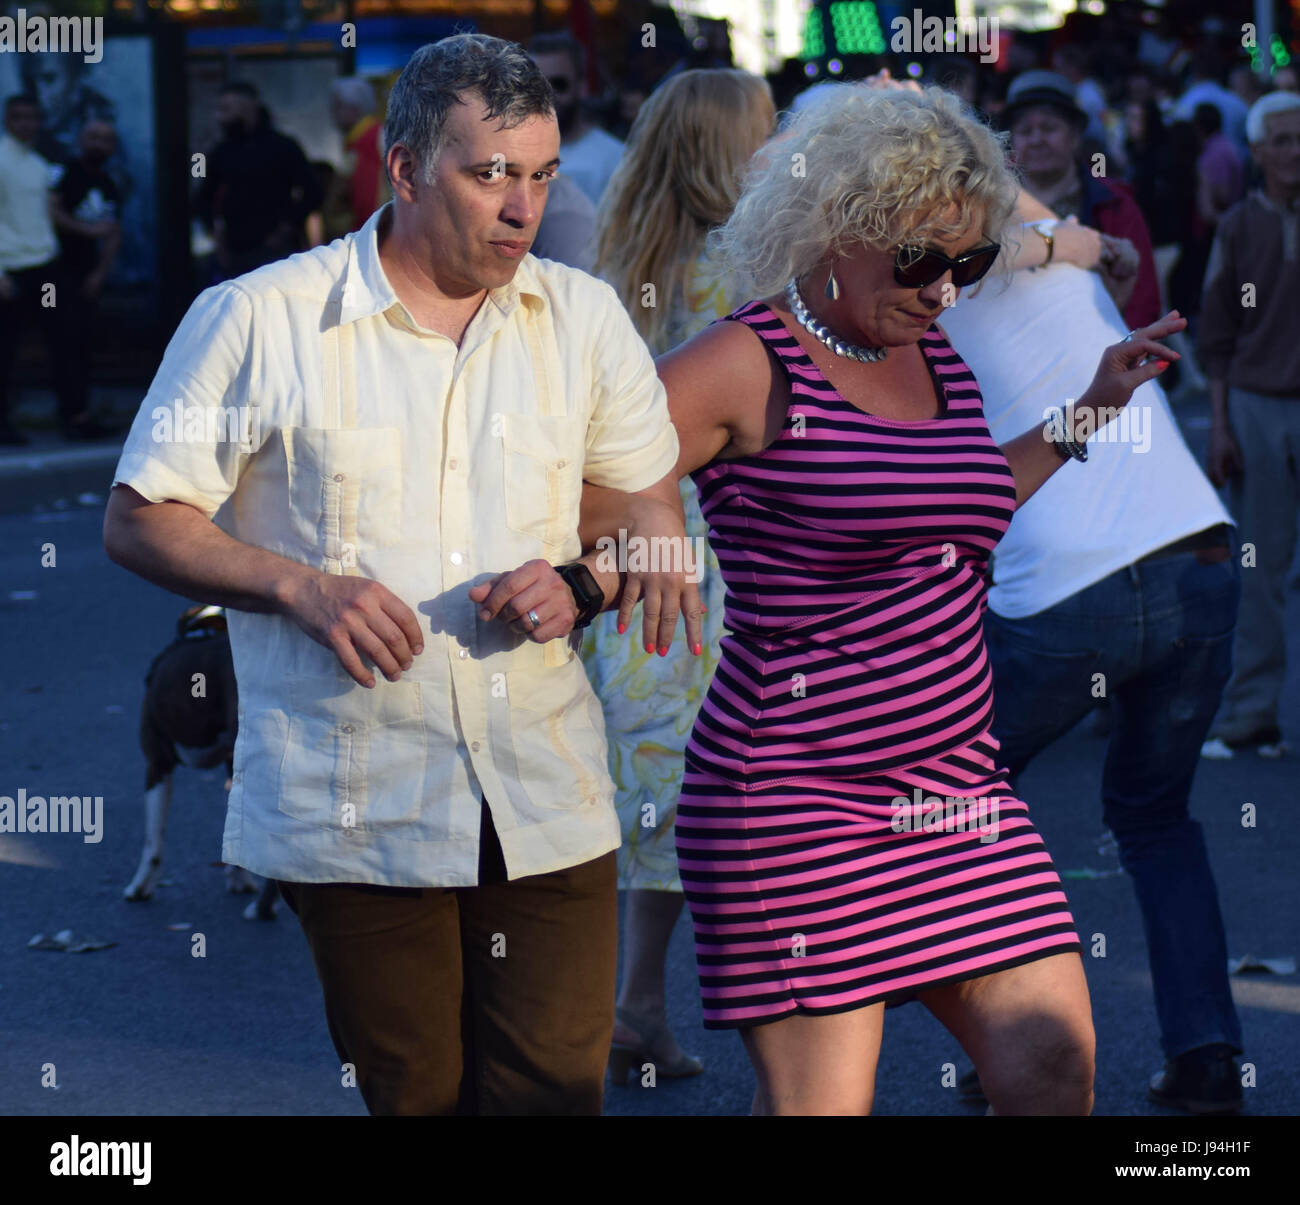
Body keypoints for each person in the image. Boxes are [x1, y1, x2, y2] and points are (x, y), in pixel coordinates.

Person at [103, 33, 701, 1117]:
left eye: (541, 175)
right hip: (358, 799)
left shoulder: (583, 317)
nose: (523, 208)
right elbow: (142, 519)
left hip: (546, 788)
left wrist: (584, 582)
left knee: (551, 1095)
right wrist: (299, 585)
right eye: (491, 175)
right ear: (410, 169)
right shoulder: (259, 317)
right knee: (417, 1094)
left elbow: (645, 512)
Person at [611, 82, 1184, 1115]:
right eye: (921, 259)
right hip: (796, 800)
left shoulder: (936, 357)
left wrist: (1088, 409)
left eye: (968, 263)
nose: (946, 288)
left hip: (957, 791)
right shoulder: (750, 359)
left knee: (1053, 1066)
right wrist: (650, 518)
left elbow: (951, 502)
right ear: (838, 226)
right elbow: (602, 462)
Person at [940, 190, 1245, 1114]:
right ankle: (1207, 1056)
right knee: (1158, 820)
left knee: (957, 800)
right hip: (1197, 553)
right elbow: (1081, 238)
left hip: (1067, 582)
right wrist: (1086, 239)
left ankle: (1015, 1055)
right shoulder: (1060, 251)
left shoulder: (914, 282)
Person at [581, 67, 775, 1083]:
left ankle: (631, 1004)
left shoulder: (614, 259)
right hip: (716, 552)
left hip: (619, 551)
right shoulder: (753, 269)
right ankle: (661, 1003)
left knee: (644, 778)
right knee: (714, 783)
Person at [1199, 91, 1300, 758]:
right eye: (1283, 141)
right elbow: (1218, 335)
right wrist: (1220, 424)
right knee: (1260, 572)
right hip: (1259, 408)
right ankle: (1251, 717)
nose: (1295, 152)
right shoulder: (1238, 226)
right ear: (1258, 152)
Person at [1004, 70, 1161, 329]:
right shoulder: (989, 206)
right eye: (1024, 130)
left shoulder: (1114, 205)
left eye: (1049, 128)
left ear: (1075, 136)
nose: (1036, 140)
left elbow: (1142, 301)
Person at [195, 82, 325, 280]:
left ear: (247, 108)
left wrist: (286, 228)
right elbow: (203, 197)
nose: (219, 117)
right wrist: (218, 239)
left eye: (227, 109)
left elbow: (312, 192)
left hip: (276, 250)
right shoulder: (220, 152)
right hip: (236, 251)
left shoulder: (283, 147)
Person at [50, 120, 124, 440]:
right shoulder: (63, 173)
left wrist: (99, 273)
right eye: (93, 136)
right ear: (81, 139)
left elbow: (113, 232)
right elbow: (53, 213)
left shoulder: (109, 183)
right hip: (52, 275)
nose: (99, 144)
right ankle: (69, 415)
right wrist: (86, 231)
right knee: (60, 341)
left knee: (81, 344)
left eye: (106, 139)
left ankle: (80, 414)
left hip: (87, 276)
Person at [527, 32, 624, 206]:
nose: (548, 95)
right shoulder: (512, 155)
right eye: (538, 85)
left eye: (559, 84)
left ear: (582, 86)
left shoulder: (615, 158)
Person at [326, 76, 387, 238]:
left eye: (338, 105)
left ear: (355, 107)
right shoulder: (359, 140)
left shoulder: (370, 140)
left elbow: (369, 197)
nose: (333, 112)